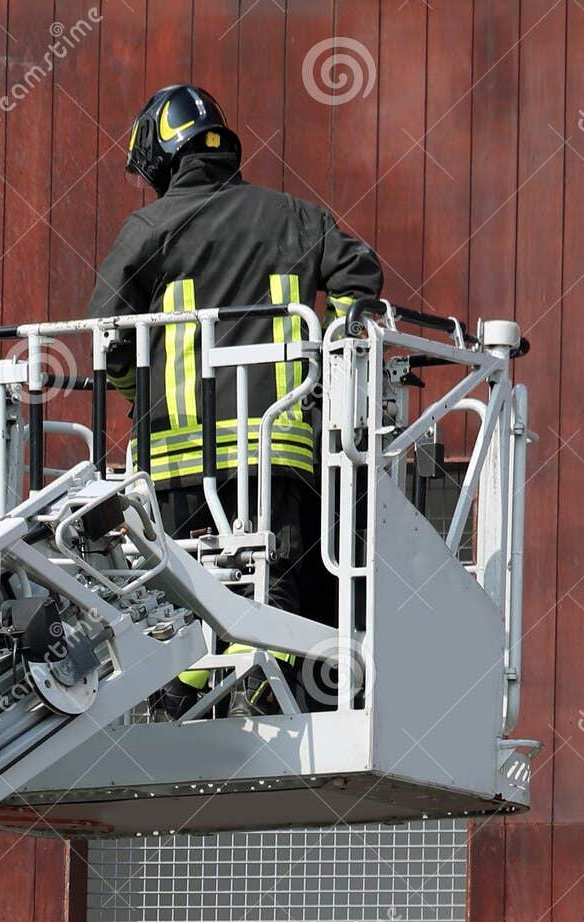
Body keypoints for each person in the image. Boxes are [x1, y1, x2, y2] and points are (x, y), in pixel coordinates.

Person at [87, 83, 383, 714]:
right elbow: (358, 278)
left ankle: (179, 697)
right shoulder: (296, 217)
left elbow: (106, 336)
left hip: (176, 463)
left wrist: (131, 394)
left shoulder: (150, 227)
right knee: (275, 592)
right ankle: (266, 690)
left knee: (183, 600)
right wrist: (349, 340)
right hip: (278, 456)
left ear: (164, 157)